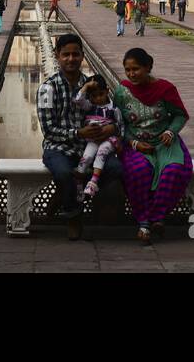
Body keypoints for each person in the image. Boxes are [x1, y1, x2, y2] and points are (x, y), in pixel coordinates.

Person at [36, 34, 123, 240]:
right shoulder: (48, 88)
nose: (71, 59)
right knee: (65, 173)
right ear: (57, 56)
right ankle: (73, 217)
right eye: (66, 54)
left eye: (76, 54)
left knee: (117, 169)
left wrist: (111, 128)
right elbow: (48, 130)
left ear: (83, 56)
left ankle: (65, 193)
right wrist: (77, 133)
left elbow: (109, 112)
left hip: (89, 147)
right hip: (58, 147)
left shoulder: (92, 86)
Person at [113, 47, 193, 244]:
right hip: (135, 142)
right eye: (127, 70)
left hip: (164, 142)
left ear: (148, 66)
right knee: (139, 171)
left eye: (136, 69)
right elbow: (117, 122)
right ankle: (144, 222)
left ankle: (157, 217)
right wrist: (134, 143)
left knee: (173, 170)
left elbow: (180, 114)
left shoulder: (165, 89)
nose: (131, 74)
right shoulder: (122, 91)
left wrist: (170, 131)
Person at [72, 79, 122, 199]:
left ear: (107, 91)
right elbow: (78, 100)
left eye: (101, 94)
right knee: (87, 156)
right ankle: (79, 182)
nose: (98, 98)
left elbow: (120, 125)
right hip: (93, 139)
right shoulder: (90, 106)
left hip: (108, 139)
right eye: (94, 96)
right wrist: (86, 86)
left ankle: (93, 182)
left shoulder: (114, 109)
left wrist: (119, 140)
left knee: (102, 152)